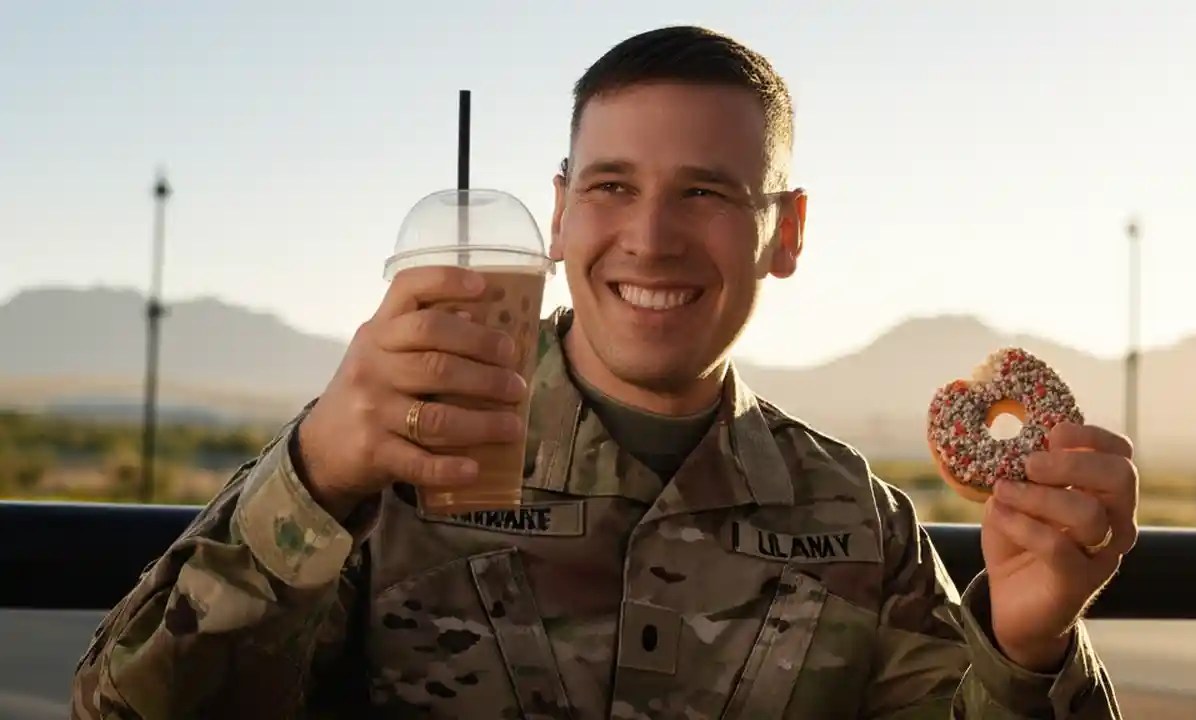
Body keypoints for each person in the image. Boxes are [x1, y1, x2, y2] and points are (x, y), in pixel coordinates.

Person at [71, 25, 1138, 719]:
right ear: (559, 209)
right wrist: (308, 478)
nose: (651, 240)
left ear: (786, 231)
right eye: (612, 187)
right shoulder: (393, 446)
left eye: (707, 194)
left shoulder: (855, 520)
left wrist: (1031, 641)